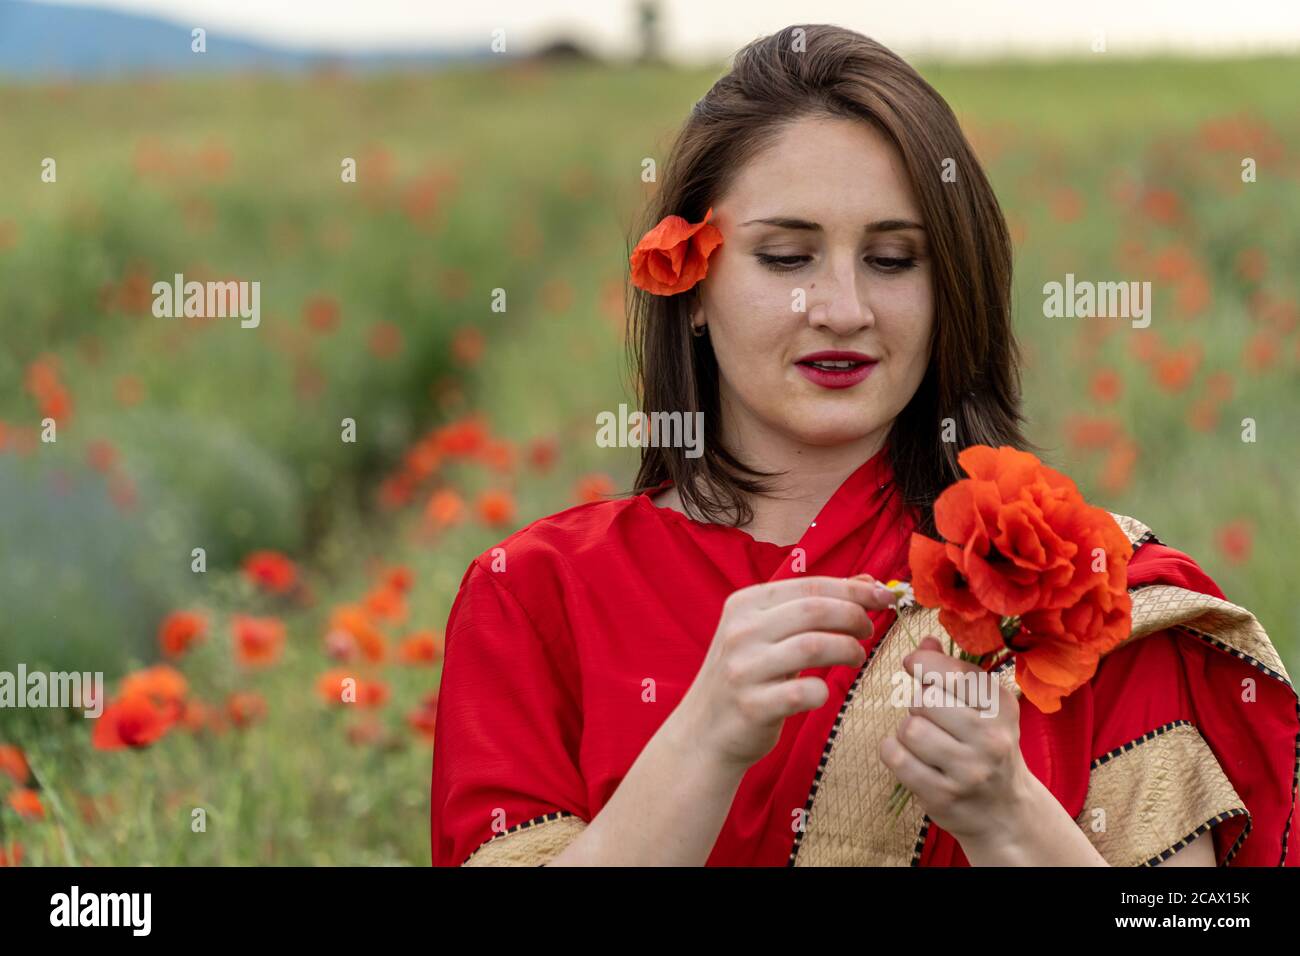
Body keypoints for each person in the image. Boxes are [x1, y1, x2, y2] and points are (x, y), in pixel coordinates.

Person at [429, 24, 1299, 867]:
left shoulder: (1079, 590)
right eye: (785, 258)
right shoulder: (538, 595)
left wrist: (1008, 819)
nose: (842, 307)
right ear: (689, 283)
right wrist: (706, 737)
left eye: (892, 260)